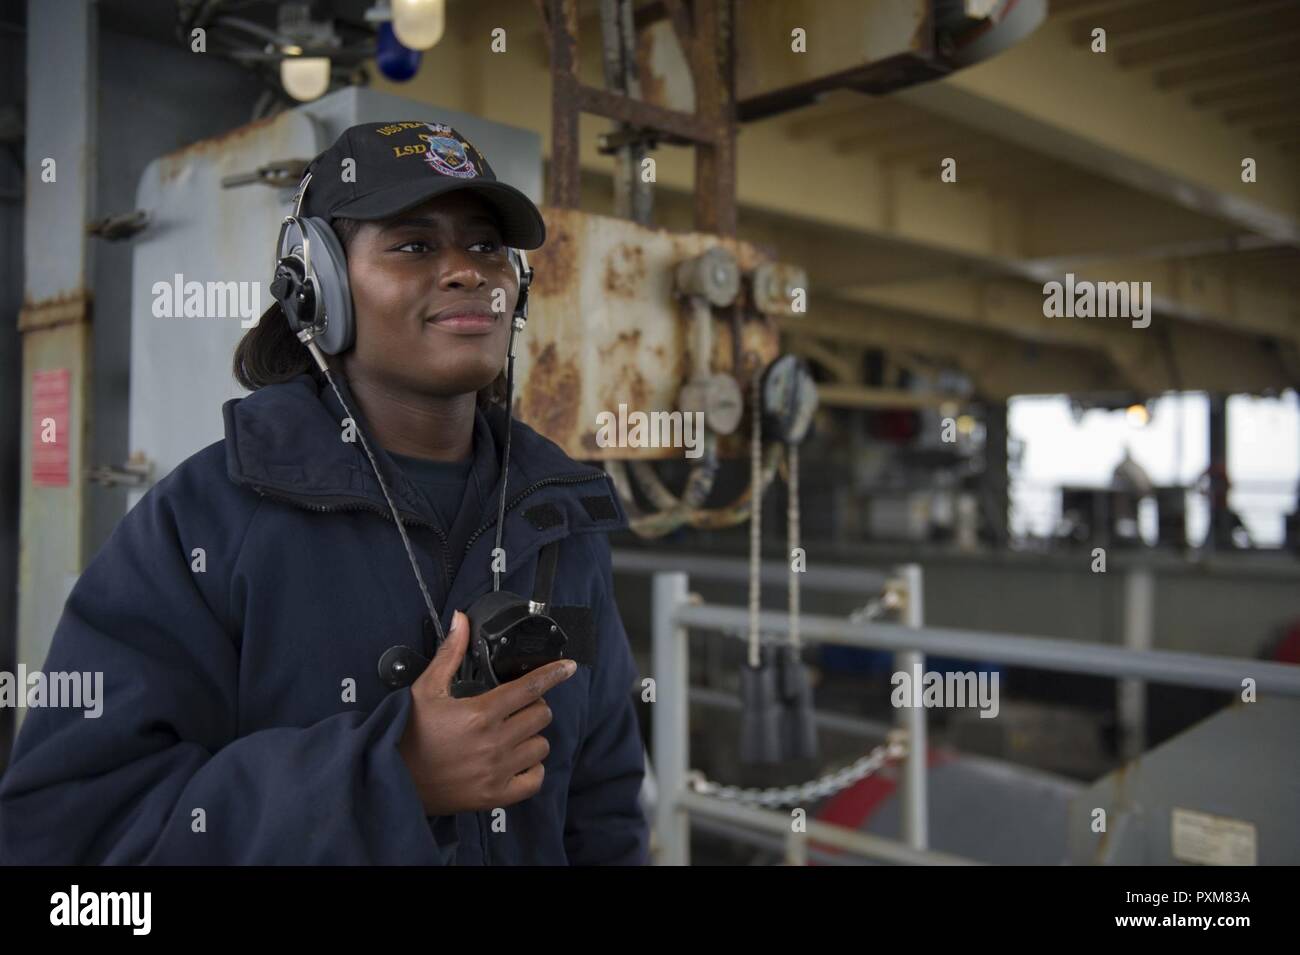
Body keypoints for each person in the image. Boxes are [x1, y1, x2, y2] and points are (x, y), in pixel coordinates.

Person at [0, 121, 649, 865]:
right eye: (414, 245)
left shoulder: (559, 520)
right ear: (319, 286)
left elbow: (602, 800)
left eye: (486, 246)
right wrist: (389, 777)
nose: (470, 271)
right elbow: (72, 838)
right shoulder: (206, 521)